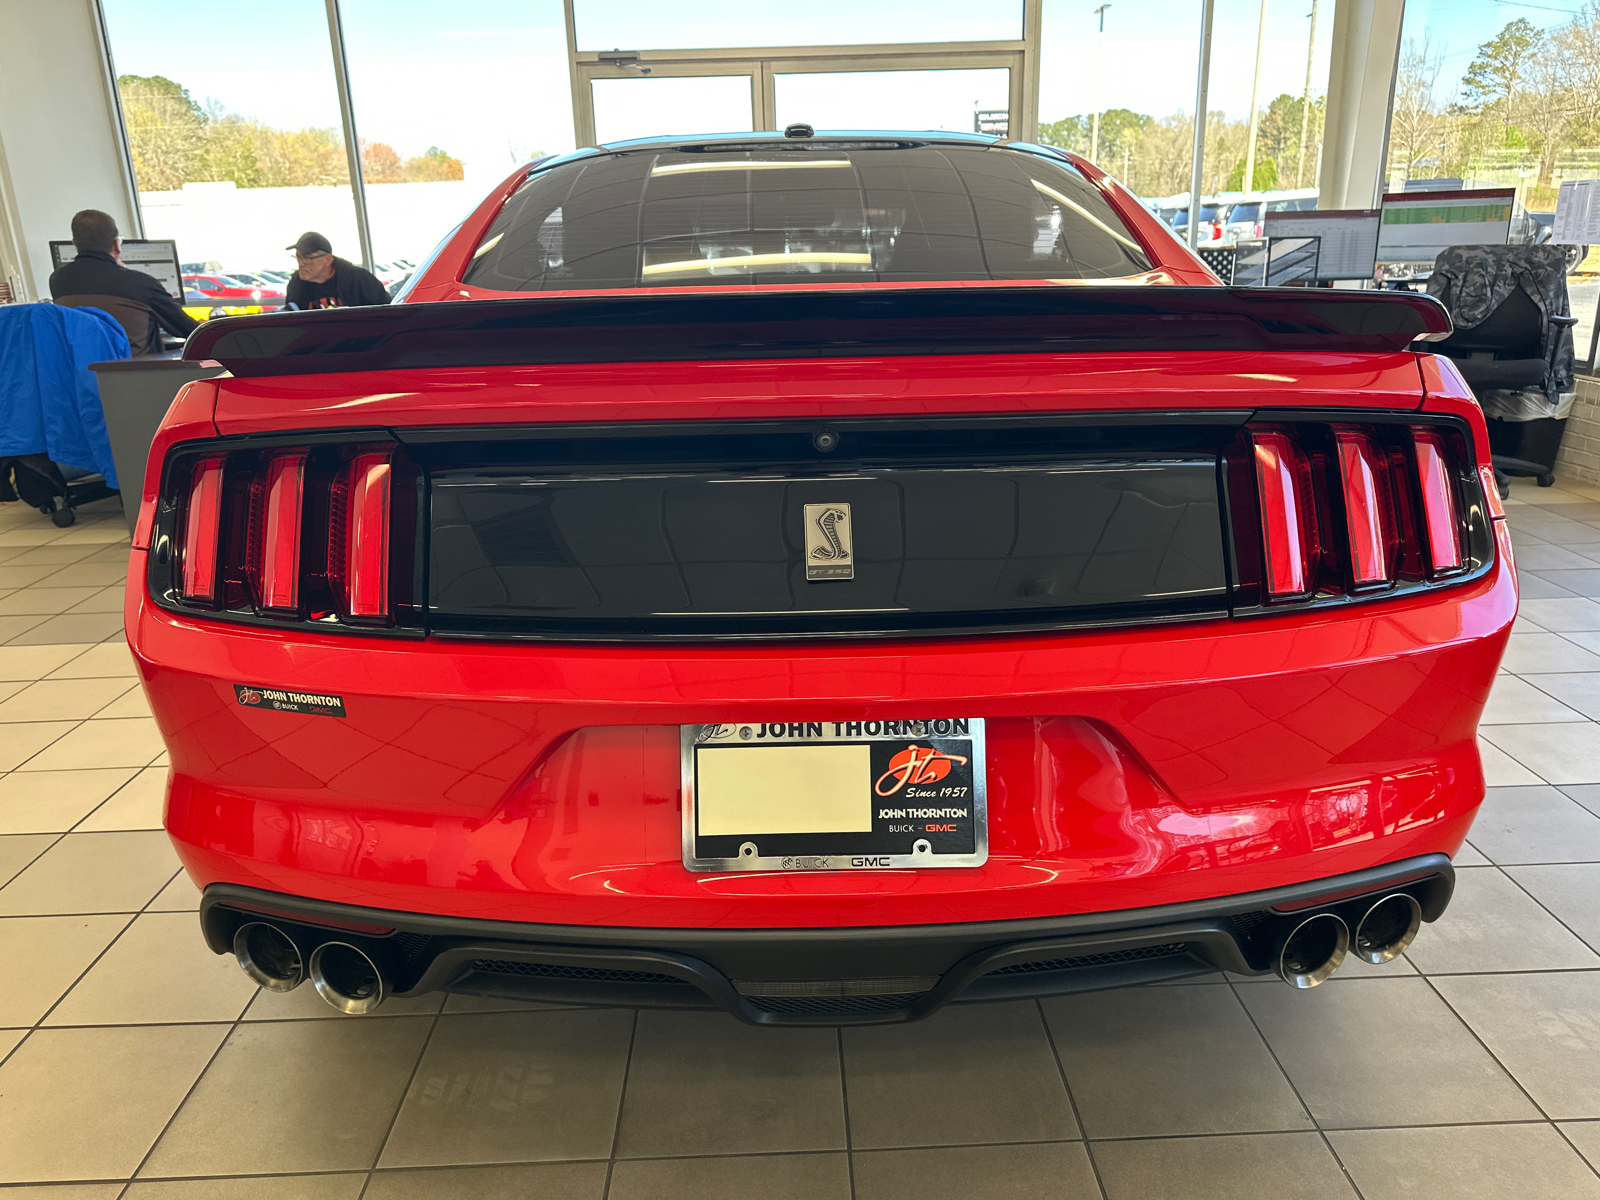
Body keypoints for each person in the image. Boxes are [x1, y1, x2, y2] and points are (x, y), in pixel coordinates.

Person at [48, 209, 199, 356]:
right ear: (116, 245)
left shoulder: (57, 280)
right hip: (139, 376)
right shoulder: (141, 283)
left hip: (86, 375)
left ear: (75, 243)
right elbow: (189, 331)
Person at [284, 232, 390, 310]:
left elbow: (387, 310)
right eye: (298, 257)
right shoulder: (296, 285)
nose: (301, 263)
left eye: (308, 258)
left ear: (328, 259)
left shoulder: (359, 279)